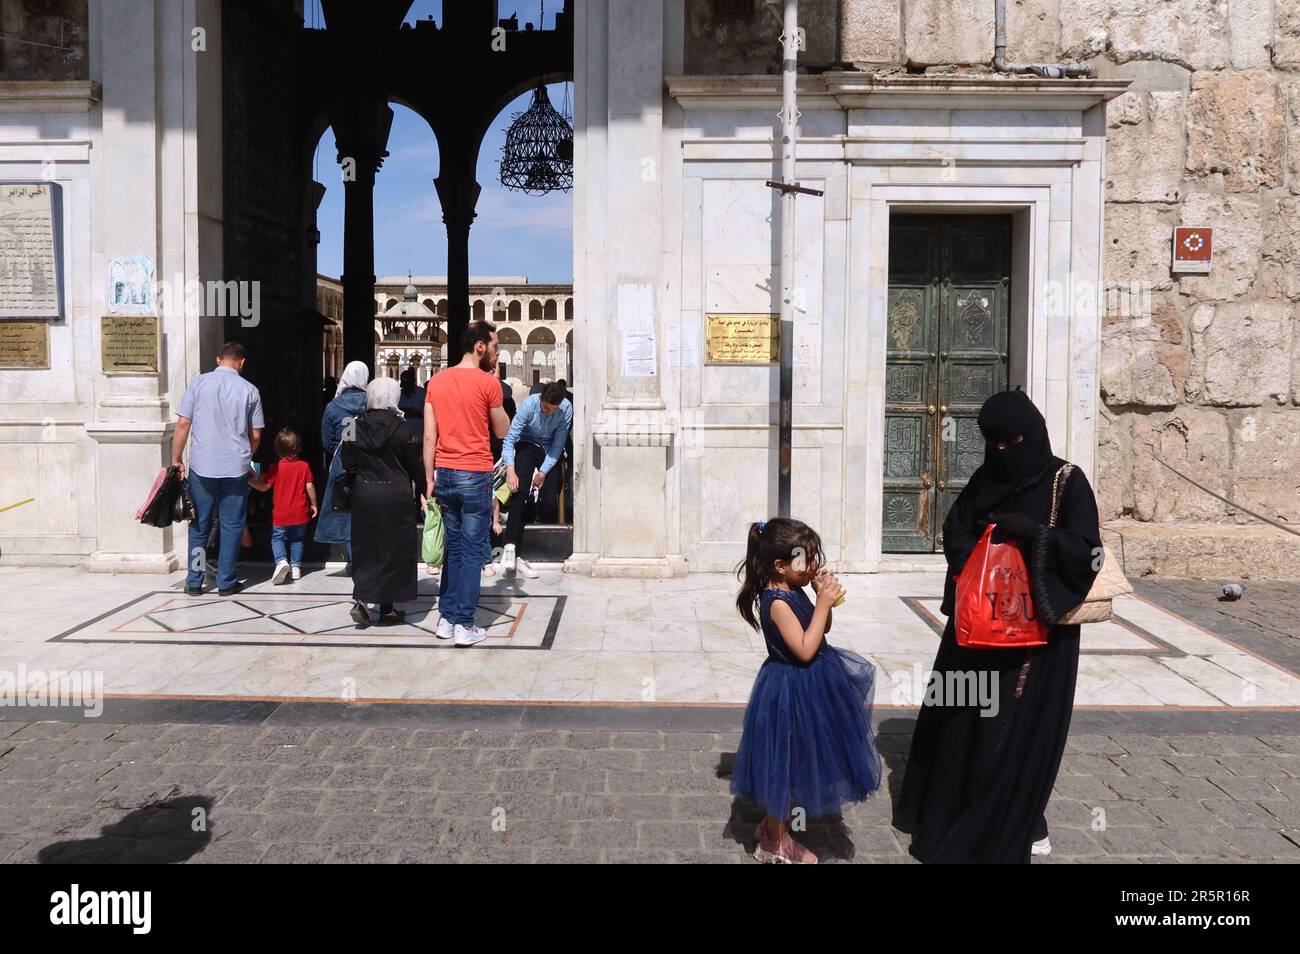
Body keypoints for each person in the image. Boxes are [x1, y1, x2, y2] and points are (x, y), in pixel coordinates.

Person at [893, 389, 1102, 863]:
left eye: (1013, 442)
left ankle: (1021, 820)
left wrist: (1034, 537)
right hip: (978, 632)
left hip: (1036, 640)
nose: (1003, 453)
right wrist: (977, 557)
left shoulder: (1066, 482)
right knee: (964, 726)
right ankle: (954, 814)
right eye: (995, 444)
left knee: (1011, 735)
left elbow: (1089, 551)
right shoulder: (987, 476)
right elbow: (956, 527)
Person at [731, 517, 882, 864]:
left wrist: (820, 599)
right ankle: (773, 842)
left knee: (797, 763)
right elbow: (803, 648)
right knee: (782, 767)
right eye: (805, 558)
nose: (813, 565)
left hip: (813, 685)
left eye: (815, 557)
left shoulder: (793, 589)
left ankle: (772, 829)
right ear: (780, 566)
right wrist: (824, 605)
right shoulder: (777, 601)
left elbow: (821, 628)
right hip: (789, 690)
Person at [424, 321, 510, 647]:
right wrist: (497, 386)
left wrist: (428, 477)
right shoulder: (488, 384)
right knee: (473, 551)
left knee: (454, 548)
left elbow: (430, 435)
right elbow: (502, 430)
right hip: (474, 473)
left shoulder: (437, 381)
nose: (496, 353)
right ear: (479, 346)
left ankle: (445, 618)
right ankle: (464, 622)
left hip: (444, 473)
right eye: (495, 346)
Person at [172, 341, 265, 597]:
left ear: (217, 359)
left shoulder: (198, 383)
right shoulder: (250, 390)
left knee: (199, 524)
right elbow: (256, 434)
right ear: (242, 362)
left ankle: (194, 580)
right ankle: (225, 580)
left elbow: (182, 423)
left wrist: (176, 458)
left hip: (202, 465)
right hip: (235, 467)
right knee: (232, 524)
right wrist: (246, 456)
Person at [342, 377, 426, 628]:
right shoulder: (403, 428)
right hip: (396, 497)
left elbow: (348, 462)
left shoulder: (351, 425)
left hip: (365, 495)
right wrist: (424, 491)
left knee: (366, 548)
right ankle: (387, 608)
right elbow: (415, 467)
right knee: (394, 552)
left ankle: (362, 600)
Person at [498, 380, 572, 578]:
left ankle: (540, 548)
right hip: (527, 444)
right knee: (519, 489)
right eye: (546, 409)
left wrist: (544, 472)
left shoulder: (565, 408)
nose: (548, 413)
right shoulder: (530, 404)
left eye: (553, 411)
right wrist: (511, 470)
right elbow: (510, 438)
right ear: (541, 399)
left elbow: (558, 444)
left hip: (549, 450)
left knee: (550, 496)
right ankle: (510, 546)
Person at [314, 361, 368, 574]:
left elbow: (326, 441)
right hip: (367, 462)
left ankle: (353, 559)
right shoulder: (370, 404)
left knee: (346, 509)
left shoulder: (333, 406)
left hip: (342, 463)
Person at [249, 428, 317, 585]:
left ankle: (281, 561)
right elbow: (309, 487)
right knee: (298, 539)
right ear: (298, 447)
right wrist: (314, 504)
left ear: (277, 449)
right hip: (300, 513)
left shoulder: (275, 467)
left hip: (281, 514)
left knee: (278, 538)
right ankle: (296, 567)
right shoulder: (304, 466)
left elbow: (264, 487)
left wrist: (249, 481)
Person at [398, 368, 427, 445]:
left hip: (419, 436)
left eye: (408, 384)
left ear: (413, 382)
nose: (406, 387)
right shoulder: (398, 395)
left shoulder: (423, 394)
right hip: (402, 437)